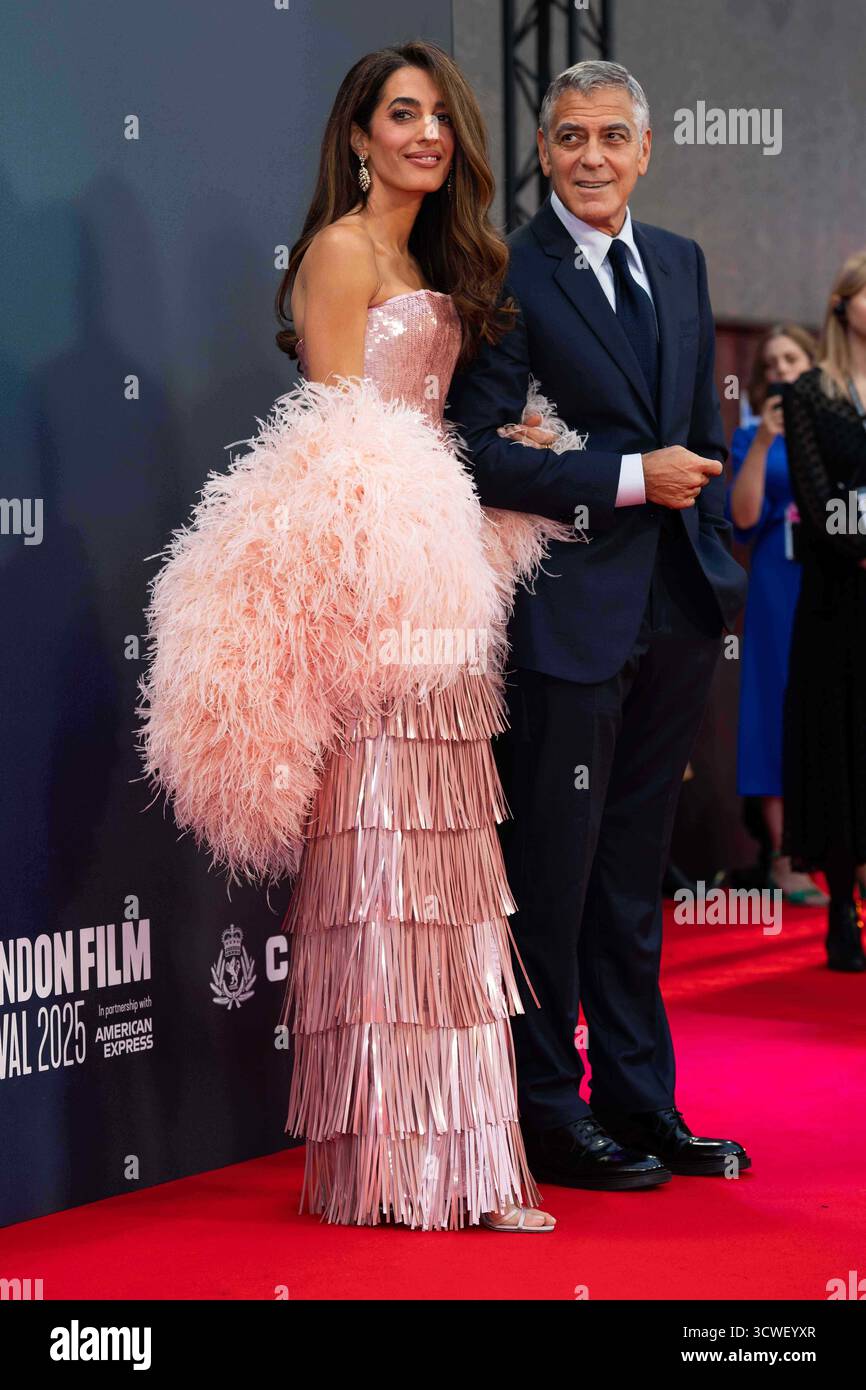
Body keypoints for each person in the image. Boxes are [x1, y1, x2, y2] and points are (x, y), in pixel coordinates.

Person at [136, 40, 567, 1232]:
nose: (425, 134)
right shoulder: (336, 251)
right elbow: (332, 443)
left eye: (439, 116)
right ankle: (384, 1169)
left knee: (448, 880)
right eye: (401, 114)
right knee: (378, 872)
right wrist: (400, 551)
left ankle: (467, 1169)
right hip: (379, 591)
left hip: (444, 594)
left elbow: (438, 429)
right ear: (359, 135)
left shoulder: (438, 256)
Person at [447, 60, 752, 1185]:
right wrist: (629, 478)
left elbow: (696, 437)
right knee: (554, 871)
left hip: (675, 608)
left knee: (631, 875)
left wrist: (709, 559)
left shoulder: (675, 258)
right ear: (540, 150)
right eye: (568, 136)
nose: (588, 155)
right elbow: (477, 452)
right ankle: (543, 1109)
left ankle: (640, 1102)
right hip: (566, 618)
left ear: (644, 146)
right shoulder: (505, 272)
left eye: (609, 136)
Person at [782, 249, 866, 971]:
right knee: (840, 745)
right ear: (844, 305)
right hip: (838, 595)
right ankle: (843, 904)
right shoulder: (812, 390)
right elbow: (815, 497)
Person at [727, 324, 827, 904]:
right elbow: (742, 520)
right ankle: (785, 858)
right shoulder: (750, 437)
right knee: (774, 704)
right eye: (773, 363)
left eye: (794, 358)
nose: (784, 370)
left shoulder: (838, 425)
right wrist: (762, 443)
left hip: (832, 573)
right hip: (774, 580)